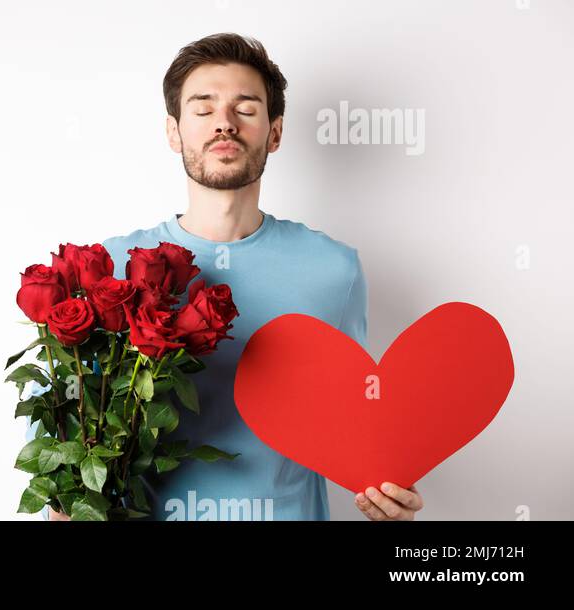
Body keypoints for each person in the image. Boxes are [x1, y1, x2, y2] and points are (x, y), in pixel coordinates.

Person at [25, 33, 424, 522]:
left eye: (246, 108)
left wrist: (387, 493)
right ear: (174, 131)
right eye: (203, 107)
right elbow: (64, 419)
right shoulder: (110, 269)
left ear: (275, 133)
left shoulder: (333, 270)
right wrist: (62, 507)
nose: (224, 124)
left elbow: (357, 416)